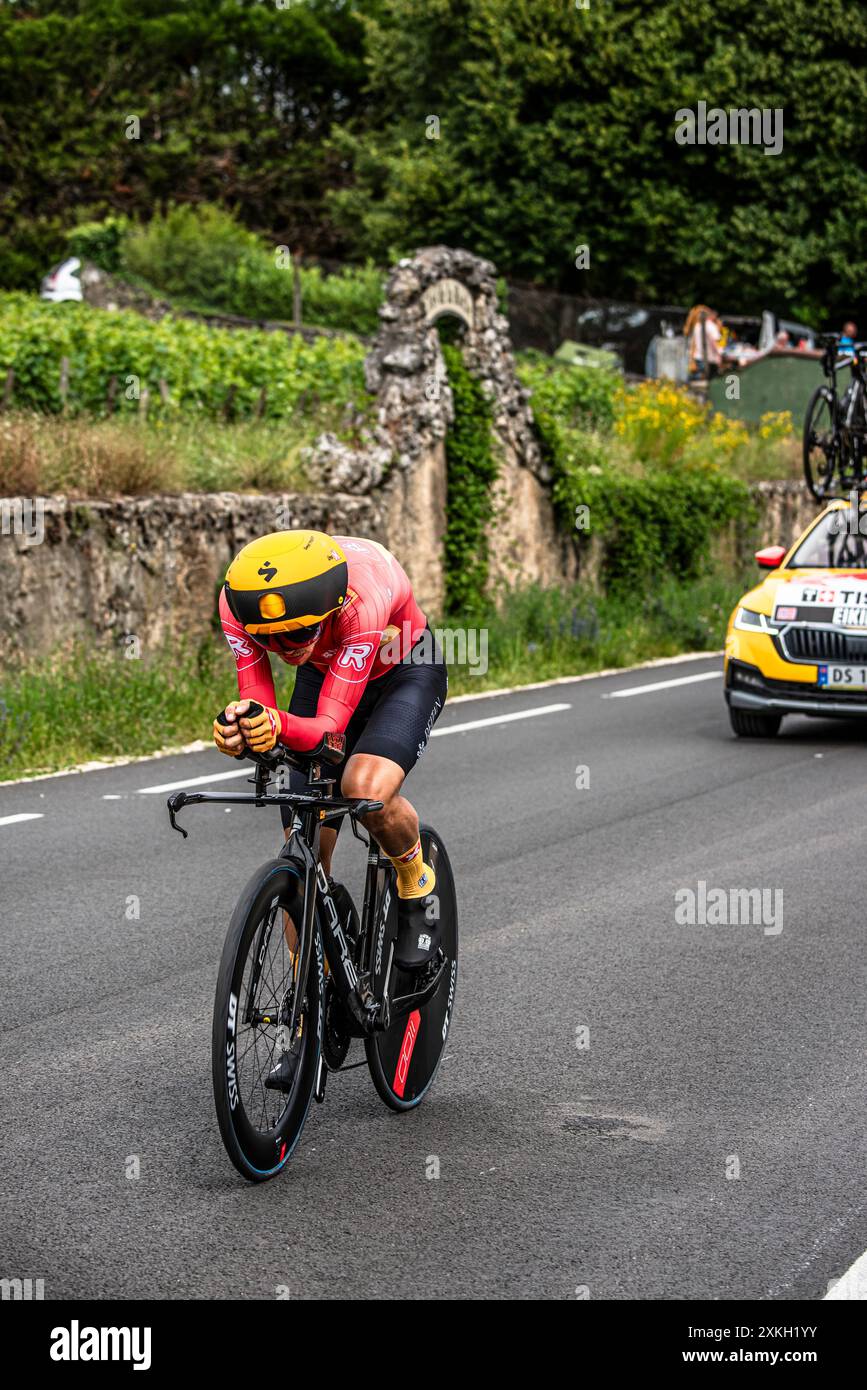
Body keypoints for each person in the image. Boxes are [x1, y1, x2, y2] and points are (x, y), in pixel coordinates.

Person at [214, 530, 448, 1042]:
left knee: (364, 787)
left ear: (332, 606)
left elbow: (327, 730)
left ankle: (415, 883)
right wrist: (243, 727)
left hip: (403, 671)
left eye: (299, 634)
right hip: (328, 671)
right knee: (302, 836)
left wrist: (274, 726)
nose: (283, 648)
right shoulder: (237, 604)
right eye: (270, 639)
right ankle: (306, 1009)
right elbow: (259, 699)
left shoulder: (361, 602)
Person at [684, 304, 723, 380]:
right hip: (709, 359)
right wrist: (719, 355)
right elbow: (715, 342)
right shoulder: (711, 326)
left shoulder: (697, 326)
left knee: (698, 379)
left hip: (698, 357)